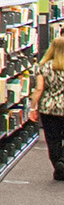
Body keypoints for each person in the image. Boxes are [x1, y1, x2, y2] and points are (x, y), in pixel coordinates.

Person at [33, 40, 64, 180]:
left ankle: (58, 165)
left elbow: (39, 89)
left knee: (53, 139)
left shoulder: (43, 67)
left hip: (49, 108)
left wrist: (33, 107)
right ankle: (62, 161)